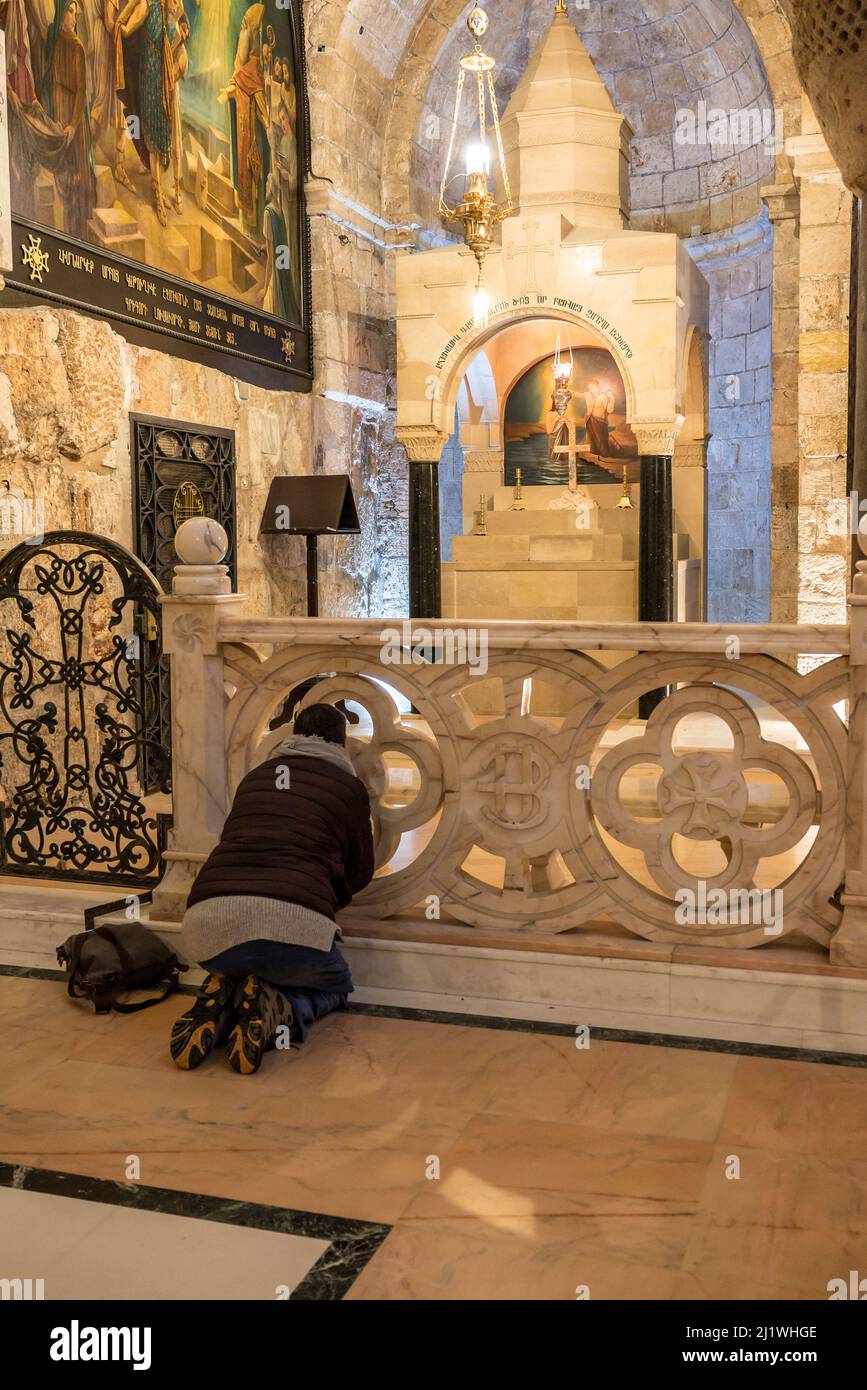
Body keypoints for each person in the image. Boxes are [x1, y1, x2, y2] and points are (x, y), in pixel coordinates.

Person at [170, 703, 375, 1075]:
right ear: (342, 745)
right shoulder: (348, 787)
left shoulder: (258, 776)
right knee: (336, 986)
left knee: (245, 955)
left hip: (205, 927)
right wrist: (325, 899)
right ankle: (270, 1009)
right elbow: (361, 873)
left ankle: (218, 996)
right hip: (293, 931)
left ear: (292, 735)